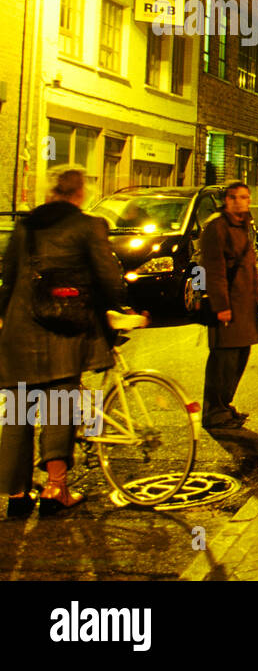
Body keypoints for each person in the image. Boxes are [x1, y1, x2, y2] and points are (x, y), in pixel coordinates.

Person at [0, 170, 133, 515]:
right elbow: (108, 276)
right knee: (59, 403)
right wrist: (120, 305)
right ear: (79, 194)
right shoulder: (89, 225)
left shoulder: (26, 226)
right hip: (63, 328)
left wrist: (5, 319)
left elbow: (8, 277)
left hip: (18, 330)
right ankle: (55, 489)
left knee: (17, 412)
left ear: (52, 193)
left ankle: (16, 497)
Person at [200, 181, 258, 430]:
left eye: (243, 197)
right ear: (225, 201)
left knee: (239, 358)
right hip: (229, 305)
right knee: (223, 361)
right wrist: (221, 305)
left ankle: (224, 405)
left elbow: (249, 263)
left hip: (246, 304)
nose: (238, 201)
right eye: (233, 197)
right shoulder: (218, 227)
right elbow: (214, 269)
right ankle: (214, 412)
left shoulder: (243, 225)